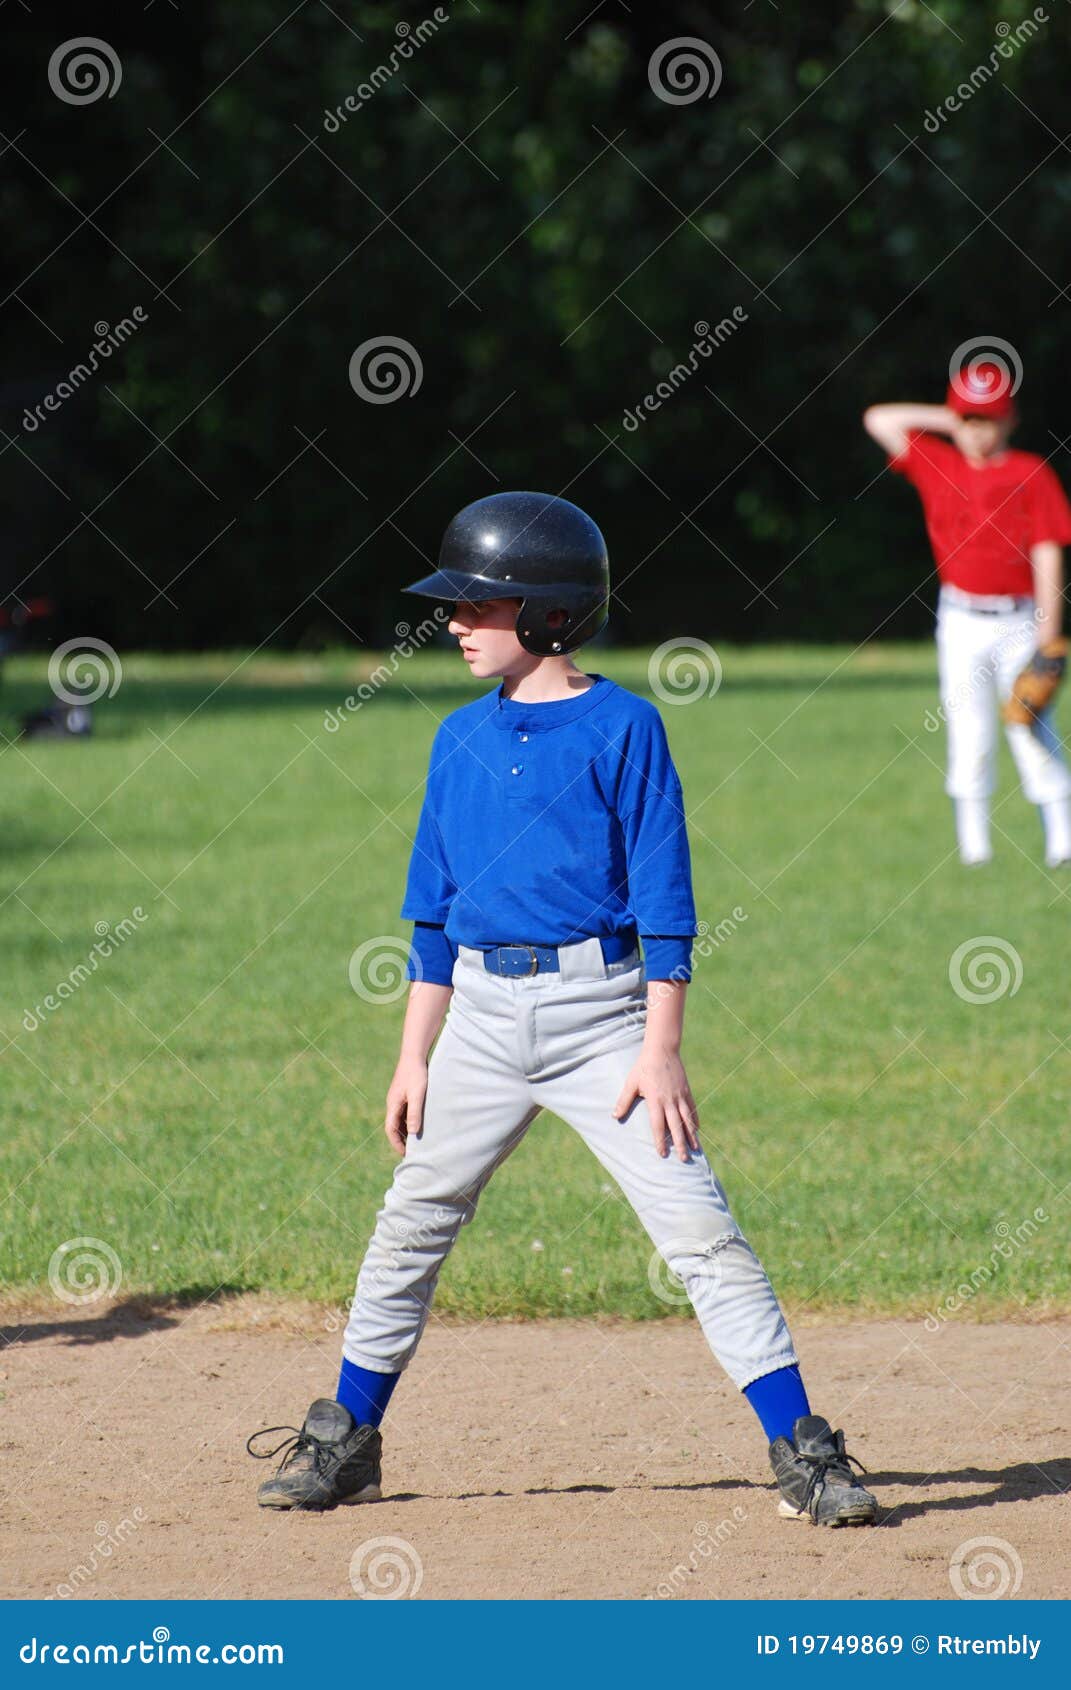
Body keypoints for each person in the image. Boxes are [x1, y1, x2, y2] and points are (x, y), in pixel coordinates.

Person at [246, 491, 877, 1528]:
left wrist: (661, 1047)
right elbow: (433, 915)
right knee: (410, 1224)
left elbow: (668, 902)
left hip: (606, 1022)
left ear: (545, 615)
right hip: (483, 1023)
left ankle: (804, 1449)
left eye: (474, 607)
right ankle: (345, 1438)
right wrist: (415, 1056)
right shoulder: (456, 738)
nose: (452, 623)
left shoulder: (626, 726)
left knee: (700, 1233)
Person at [863, 359, 1071, 866]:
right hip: (960, 618)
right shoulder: (938, 462)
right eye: (970, 419)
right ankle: (974, 847)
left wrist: (1050, 635)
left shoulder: (1031, 473)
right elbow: (878, 419)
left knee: (1030, 725)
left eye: (989, 418)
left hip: (1019, 619)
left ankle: (1062, 836)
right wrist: (951, 415)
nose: (978, 430)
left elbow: (1047, 553)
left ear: (1011, 420)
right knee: (967, 727)